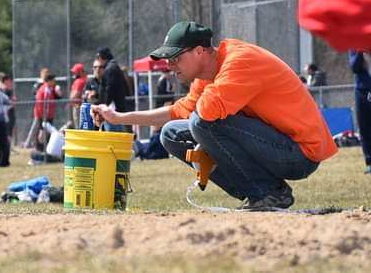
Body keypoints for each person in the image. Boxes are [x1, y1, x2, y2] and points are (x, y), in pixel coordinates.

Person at [92, 21, 338, 210]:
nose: (170, 65)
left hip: (299, 153)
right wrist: (118, 117)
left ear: (200, 51)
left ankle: (271, 192)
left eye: (175, 57)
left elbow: (204, 114)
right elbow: (178, 112)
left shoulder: (239, 62)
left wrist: (205, 144)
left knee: (202, 122)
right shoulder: (208, 72)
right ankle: (258, 193)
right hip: (274, 145)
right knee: (172, 134)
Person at [95, 48, 130, 132]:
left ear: (101, 57)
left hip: (113, 108)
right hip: (117, 107)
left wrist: (104, 106)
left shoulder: (110, 69)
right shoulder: (114, 66)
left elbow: (109, 89)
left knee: (113, 134)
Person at [350, 50, 371, 174]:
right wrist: (360, 50)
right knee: (364, 127)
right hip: (362, 90)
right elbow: (354, 67)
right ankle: (369, 161)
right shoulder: (355, 44)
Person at [33, 73, 58, 150]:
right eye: (53, 80)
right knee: (41, 131)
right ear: (49, 81)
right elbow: (40, 104)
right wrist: (43, 115)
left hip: (49, 115)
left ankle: (45, 147)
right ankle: (39, 148)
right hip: (43, 115)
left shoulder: (50, 89)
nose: (54, 82)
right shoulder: (44, 89)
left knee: (46, 132)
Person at [68, 63, 87, 127]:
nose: (74, 74)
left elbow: (77, 93)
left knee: (78, 126)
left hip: (78, 106)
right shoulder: (83, 79)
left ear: (80, 72)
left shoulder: (80, 81)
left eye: (76, 72)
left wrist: (70, 100)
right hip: (79, 106)